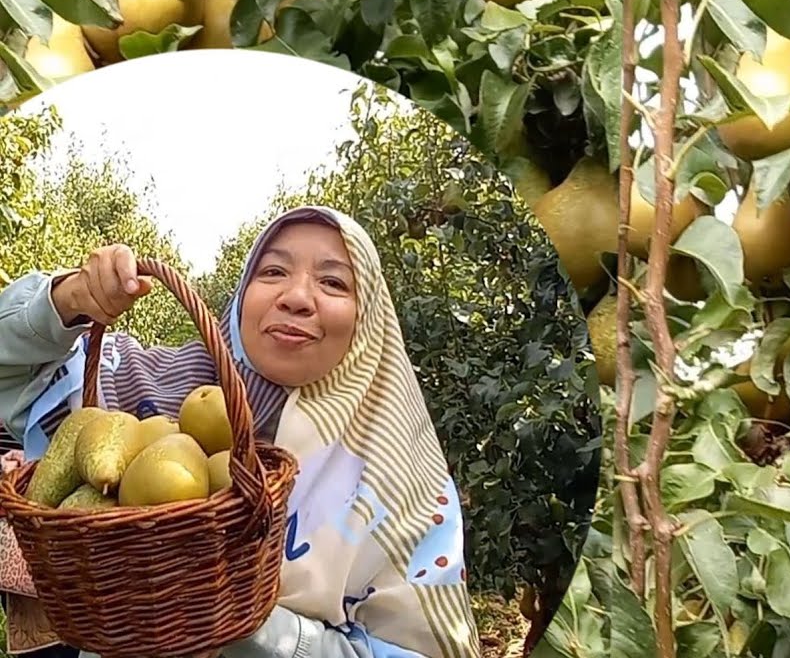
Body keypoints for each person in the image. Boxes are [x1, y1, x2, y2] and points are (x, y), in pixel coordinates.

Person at [0, 205, 481, 658]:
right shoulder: (145, 395)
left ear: (368, 319)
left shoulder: (399, 482)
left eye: (333, 281)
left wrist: (250, 622)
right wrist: (66, 300)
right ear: (241, 297)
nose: (296, 297)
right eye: (272, 272)